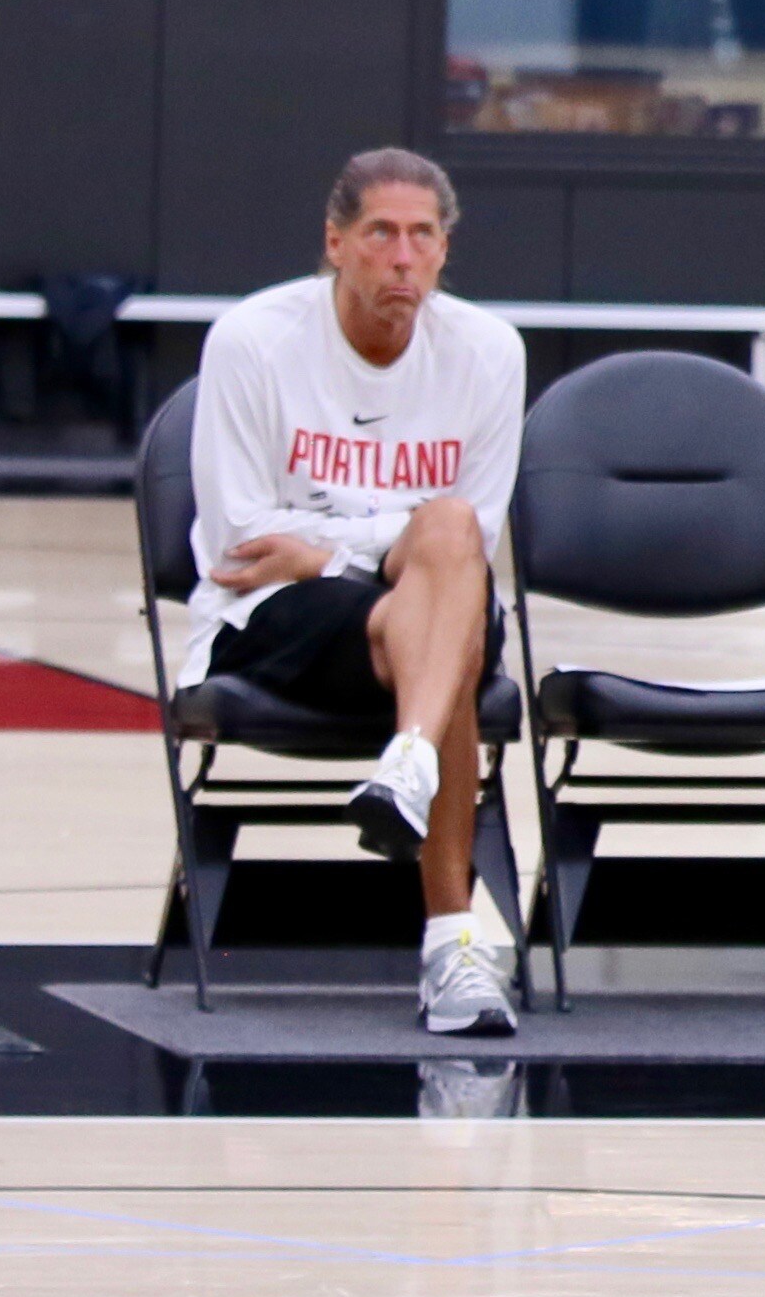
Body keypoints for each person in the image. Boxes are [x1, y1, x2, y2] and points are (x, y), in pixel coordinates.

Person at [184, 150, 530, 1038]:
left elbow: (474, 537)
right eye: (381, 233)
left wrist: (323, 545)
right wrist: (373, 546)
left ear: (446, 250)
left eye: (423, 236)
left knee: (450, 531)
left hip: (401, 594)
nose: (403, 257)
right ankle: (453, 948)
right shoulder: (253, 340)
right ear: (336, 243)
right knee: (447, 627)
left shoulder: (489, 352)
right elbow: (238, 537)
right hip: (268, 615)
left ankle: (407, 761)